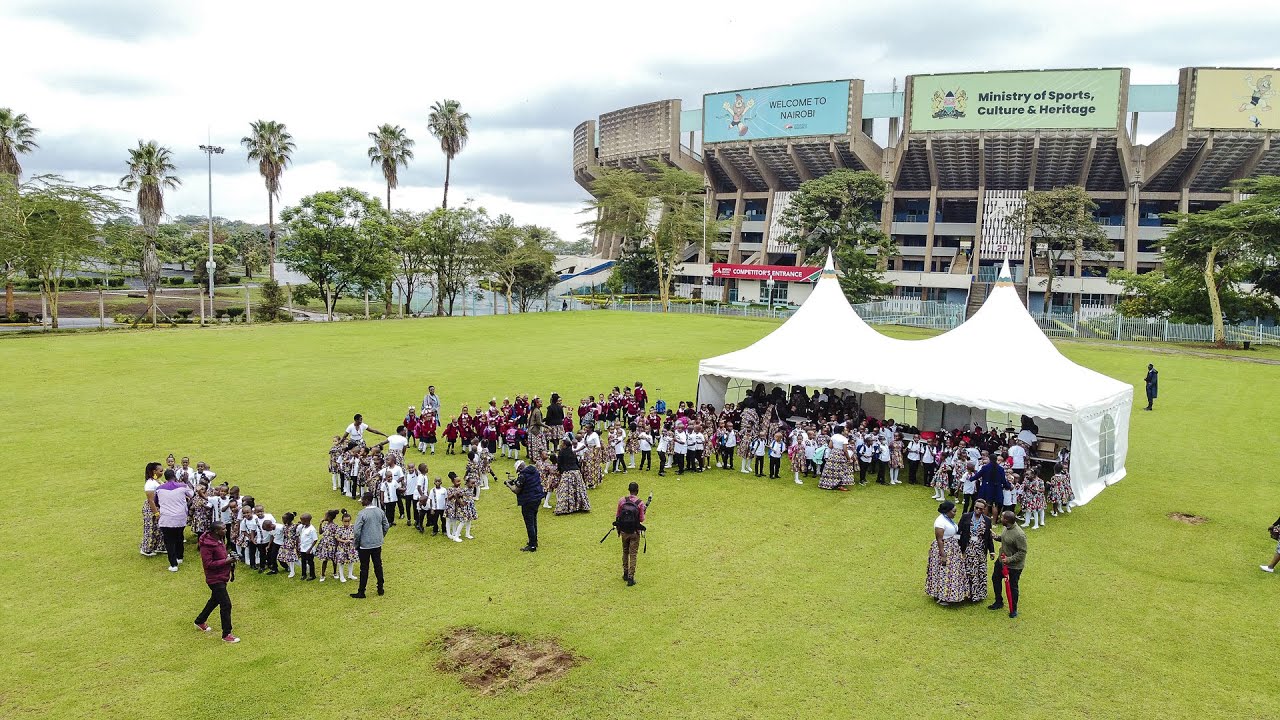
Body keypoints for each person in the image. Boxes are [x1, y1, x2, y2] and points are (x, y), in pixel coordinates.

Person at [194, 522, 239, 643]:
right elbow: (208, 564)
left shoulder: (219, 539)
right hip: (215, 579)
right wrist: (226, 561)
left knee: (214, 600)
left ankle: (199, 621)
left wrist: (229, 557)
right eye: (223, 529)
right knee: (226, 604)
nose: (226, 530)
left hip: (222, 576)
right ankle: (226, 634)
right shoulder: (207, 546)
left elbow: (220, 556)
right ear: (216, 531)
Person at [926, 501, 968, 606]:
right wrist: (943, 555)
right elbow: (939, 540)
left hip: (953, 548)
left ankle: (947, 595)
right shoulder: (940, 522)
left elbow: (953, 533)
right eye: (954, 511)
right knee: (945, 573)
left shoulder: (948, 519)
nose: (955, 513)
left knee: (952, 572)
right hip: (944, 549)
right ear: (947, 511)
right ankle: (943, 596)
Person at [350, 492, 389, 599]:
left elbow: (357, 531)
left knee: (364, 568)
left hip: (364, 546)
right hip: (377, 544)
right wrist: (380, 536)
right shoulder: (380, 511)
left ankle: (361, 591)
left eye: (362, 499)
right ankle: (380, 588)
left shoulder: (362, 514)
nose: (361, 501)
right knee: (378, 566)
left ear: (367, 500)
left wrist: (357, 543)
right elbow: (386, 525)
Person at [989, 510, 1028, 618]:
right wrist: (996, 537)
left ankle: (1013, 609)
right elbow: (1005, 539)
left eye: (1002, 517)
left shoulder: (1019, 535)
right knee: (995, 579)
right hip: (1001, 562)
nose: (1000, 518)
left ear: (1006, 520)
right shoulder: (1006, 527)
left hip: (1013, 567)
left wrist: (1009, 559)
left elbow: (1022, 552)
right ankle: (998, 601)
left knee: (1012, 587)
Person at [156, 469, 194, 572]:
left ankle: (173, 564)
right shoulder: (183, 486)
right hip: (180, 517)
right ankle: (180, 557)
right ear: (175, 476)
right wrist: (186, 481)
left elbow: (156, 502)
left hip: (166, 519)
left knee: (169, 542)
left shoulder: (159, 489)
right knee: (179, 536)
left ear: (165, 477)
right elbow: (192, 494)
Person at [958, 499, 994, 603]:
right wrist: (957, 547)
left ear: (984, 509)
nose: (978, 510)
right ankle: (969, 594)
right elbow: (958, 532)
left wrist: (992, 551)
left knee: (981, 572)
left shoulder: (987, 520)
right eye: (976, 507)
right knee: (970, 572)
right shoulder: (966, 517)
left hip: (981, 550)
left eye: (981, 509)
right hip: (969, 548)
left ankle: (979, 594)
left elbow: (989, 537)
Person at [616, 482, 647, 587]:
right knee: (633, 554)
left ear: (629, 490)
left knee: (625, 552)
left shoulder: (622, 501)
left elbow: (618, 515)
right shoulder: (640, 503)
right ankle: (631, 577)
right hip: (634, 532)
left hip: (624, 531)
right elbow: (641, 519)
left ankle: (625, 573)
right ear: (637, 490)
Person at [510, 460, 546, 552]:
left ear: (520, 468)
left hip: (528, 500)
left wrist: (509, 485)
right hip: (537, 498)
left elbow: (516, 490)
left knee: (529, 523)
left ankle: (532, 545)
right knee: (533, 520)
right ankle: (534, 541)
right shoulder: (534, 471)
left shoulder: (522, 476)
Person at [554, 438, 590, 515]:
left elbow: (559, 463)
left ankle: (564, 508)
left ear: (564, 445)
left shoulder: (561, 452)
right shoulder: (572, 452)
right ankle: (581, 506)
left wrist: (560, 471)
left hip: (567, 473)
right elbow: (576, 462)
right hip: (576, 472)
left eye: (562, 443)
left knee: (566, 491)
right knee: (578, 490)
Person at [140, 462, 164, 557]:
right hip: (151, 508)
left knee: (159, 529)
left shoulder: (157, 480)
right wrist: (156, 513)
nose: (162, 472)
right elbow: (151, 500)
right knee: (150, 529)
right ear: (154, 471)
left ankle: (159, 546)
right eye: (161, 471)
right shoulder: (150, 483)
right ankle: (146, 549)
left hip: (158, 506)